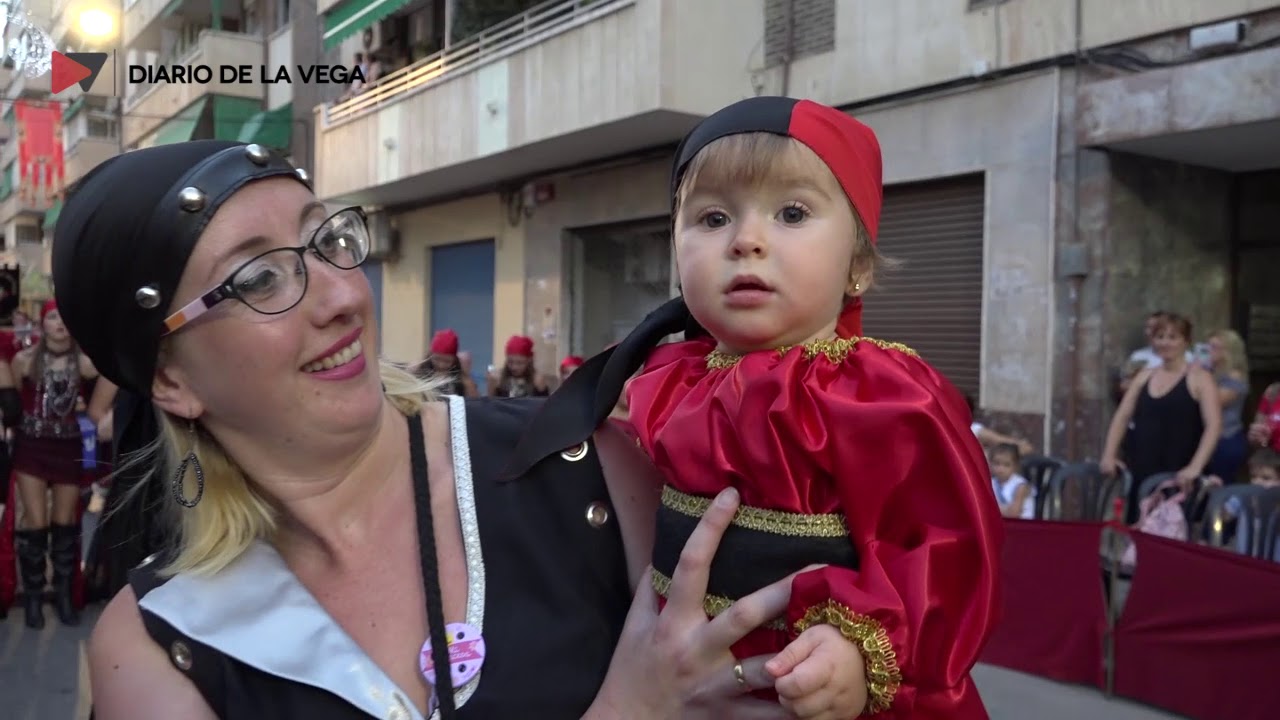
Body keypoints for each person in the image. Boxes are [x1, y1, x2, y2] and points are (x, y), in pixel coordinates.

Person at [55, 140, 810, 720]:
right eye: (259, 279)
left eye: (328, 242)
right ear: (171, 381)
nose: (344, 296)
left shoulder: (582, 468)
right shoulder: (156, 646)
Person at [509, 96, 1002, 718]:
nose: (746, 240)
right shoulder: (665, 380)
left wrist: (859, 653)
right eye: (712, 218)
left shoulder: (883, 397)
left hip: (811, 690)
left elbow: (946, 550)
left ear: (859, 264)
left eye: (791, 213)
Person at [2, 300, 116, 628]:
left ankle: (64, 595)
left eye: (65, 318)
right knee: (35, 524)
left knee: (65, 524)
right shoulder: (23, 362)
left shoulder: (85, 363)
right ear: (42, 323)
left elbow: (116, 375)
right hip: (31, 448)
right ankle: (35, 598)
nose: (60, 324)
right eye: (53, 317)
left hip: (68, 448)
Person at [1101, 312, 1221, 523]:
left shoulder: (1200, 378)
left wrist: (1195, 466)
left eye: (1173, 337)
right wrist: (1109, 454)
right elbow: (1121, 417)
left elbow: (1213, 426)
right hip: (1143, 467)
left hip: (1181, 471)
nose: (1166, 343)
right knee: (1139, 530)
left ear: (1186, 341)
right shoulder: (1144, 376)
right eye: (1160, 337)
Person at [414, 329, 478, 397]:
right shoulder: (419, 373)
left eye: (447, 361)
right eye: (436, 359)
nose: (441, 365)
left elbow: (475, 402)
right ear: (430, 356)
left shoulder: (464, 381)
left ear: (455, 359)